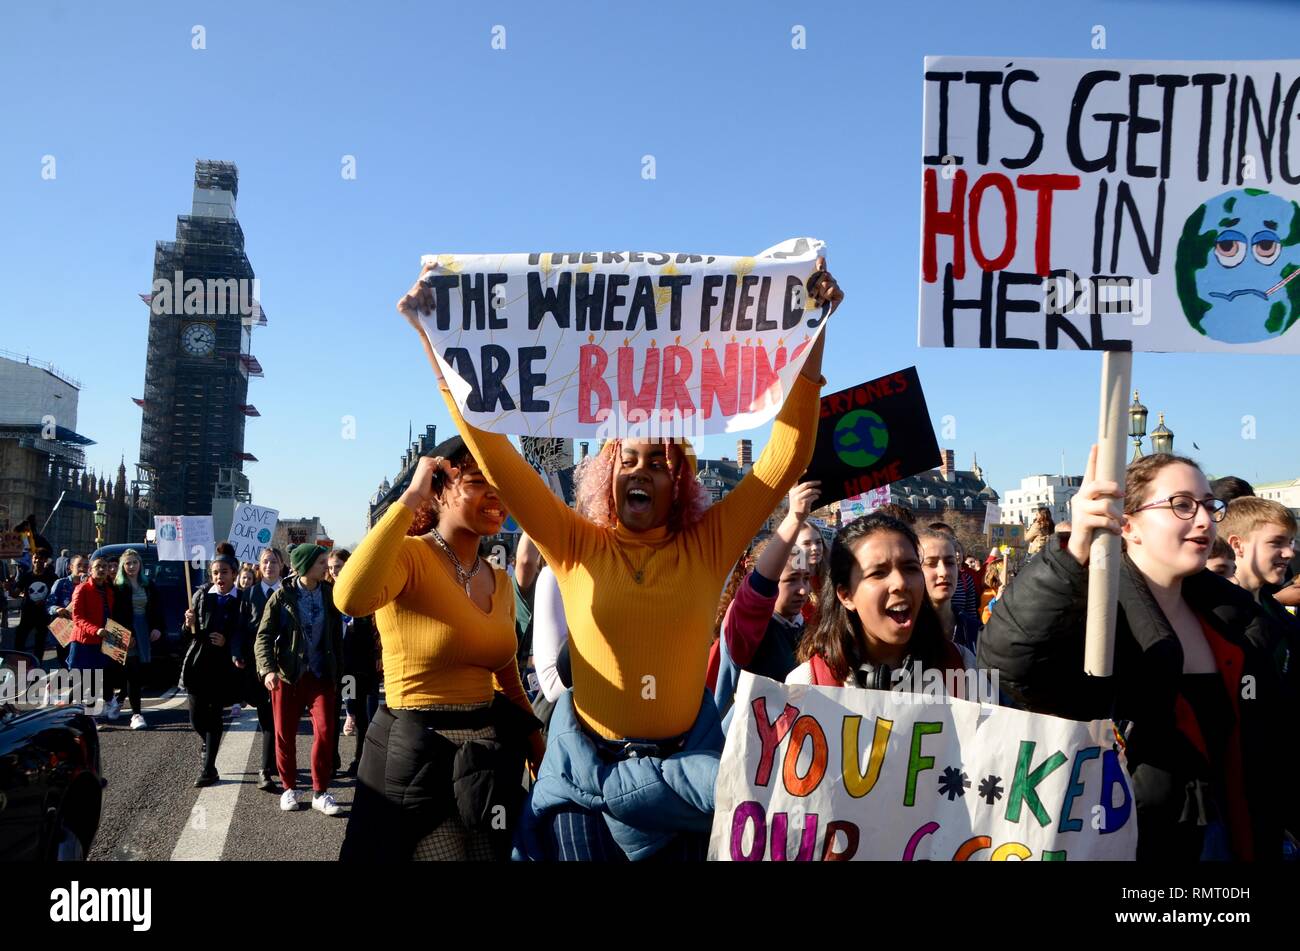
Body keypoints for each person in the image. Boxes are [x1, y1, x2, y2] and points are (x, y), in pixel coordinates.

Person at [399, 257, 842, 861]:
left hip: (685, 785)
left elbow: (787, 455)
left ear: (680, 481)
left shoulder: (708, 544)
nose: (642, 471)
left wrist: (812, 332)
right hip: (587, 785)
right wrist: (434, 340)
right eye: (628, 459)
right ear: (608, 474)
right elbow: (493, 451)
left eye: (660, 462)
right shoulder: (573, 542)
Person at [979, 449, 1289, 860]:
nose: (1202, 520)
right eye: (1180, 505)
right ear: (1128, 524)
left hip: (1236, 835)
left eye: (1208, 506)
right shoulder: (1090, 612)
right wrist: (1072, 555)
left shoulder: (1236, 618)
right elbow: (1008, 661)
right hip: (1133, 839)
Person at [334, 440, 544, 860]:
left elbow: (508, 678)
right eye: (479, 481)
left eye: (501, 484)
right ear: (440, 487)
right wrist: (410, 498)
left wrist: (540, 755)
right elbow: (351, 597)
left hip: (486, 764)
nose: (495, 495)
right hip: (419, 756)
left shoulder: (499, 581)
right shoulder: (408, 557)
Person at [787, 514, 968, 695]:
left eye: (910, 568)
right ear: (846, 596)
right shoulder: (807, 685)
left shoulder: (964, 668)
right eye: (878, 573)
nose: (900, 583)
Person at [712, 481, 821, 721]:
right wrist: (794, 518)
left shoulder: (811, 629)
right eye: (791, 580)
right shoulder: (746, 631)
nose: (803, 590)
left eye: (806, 579)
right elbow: (759, 591)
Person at [256, 544, 345, 816]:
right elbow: (264, 636)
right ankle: (289, 788)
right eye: (321, 563)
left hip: (320, 676)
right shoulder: (282, 596)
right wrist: (268, 670)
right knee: (284, 734)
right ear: (305, 566)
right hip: (288, 676)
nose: (326, 567)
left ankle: (320, 792)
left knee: (327, 731)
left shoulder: (331, 593)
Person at [182, 554, 253, 788]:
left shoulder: (243, 600)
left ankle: (209, 768)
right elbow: (188, 634)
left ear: (234, 574)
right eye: (215, 573)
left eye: (224, 572)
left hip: (223, 668)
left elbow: (246, 632)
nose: (219, 577)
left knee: (213, 717)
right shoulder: (201, 595)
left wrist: (228, 641)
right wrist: (187, 622)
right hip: (198, 664)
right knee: (195, 717)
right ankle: (208, 743)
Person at [326, 547, 380, 777]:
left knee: (363, 712)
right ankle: (332, 757)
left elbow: (378, 623)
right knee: (338, 709)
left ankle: (360, 759)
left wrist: (379, 654)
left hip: (365, 660)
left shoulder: (365, 589)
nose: (334, 571)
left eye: (338, 566)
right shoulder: (327, 592)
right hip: (341, 662)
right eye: (330, 568)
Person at [243, 546, 285, 792]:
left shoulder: (289, 592)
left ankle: (270, 767)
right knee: (266, 717)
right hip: (258, 665)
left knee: (278, 719)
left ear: (281, 566)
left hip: (284, 665)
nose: (269, 566)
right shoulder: (249, 594)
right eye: (265, 562)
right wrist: (237, 651)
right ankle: (268, 766)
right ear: (259, 566)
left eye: (274, 562)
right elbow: (241, 626)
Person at [110, 550, 164, 730]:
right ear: (122, 567)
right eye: (127, 563)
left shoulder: (149, 584)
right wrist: (127, 634)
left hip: (144, 631)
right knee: (131, 672)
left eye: (134, 562)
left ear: (140, 564)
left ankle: (119, 700)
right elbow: (116, 613)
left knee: (139, 672)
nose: (131, 566)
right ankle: (136, 714)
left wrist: (157, 627)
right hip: (125, 631)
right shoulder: (117, 587)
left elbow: (157, 608)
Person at [917, 527, 978, 667]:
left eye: (950, 563)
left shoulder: (978, 633)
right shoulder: (901, 635)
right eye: (931, 563)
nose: (944, 572)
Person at [68, 555, 115, 714]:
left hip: (101, 642)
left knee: (95, 682)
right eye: (97, 567)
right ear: (90, 570)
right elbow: (77, 617)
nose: (101, 570)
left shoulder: (109, 590)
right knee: (80, 683)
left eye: (104, 567)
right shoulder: (81, 588)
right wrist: (96, 630)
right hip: (83, 642)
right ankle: (72, 715)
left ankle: (89, 716)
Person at [12, 547, 57, 662]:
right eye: (35, 558)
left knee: (40, 643)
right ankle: (18, 664)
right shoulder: (26, 576)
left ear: (45, 560)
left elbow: (56, 596)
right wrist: (9, 588)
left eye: (41, 558)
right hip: (27, 614)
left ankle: (37, 666)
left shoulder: (52, 577)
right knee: (19, 640)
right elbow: (15, 594)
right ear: (32, 559)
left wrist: (45, 601)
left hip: (43, 616)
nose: (37, 561)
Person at [48, 554, 87, 668]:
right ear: (70, 567)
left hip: (83, 630)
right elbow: (49, 604)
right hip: (65, 630)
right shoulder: (61, 583)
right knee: (64, 662)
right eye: (79, 565)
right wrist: (57, 609)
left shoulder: (89, 585)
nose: (82, 568)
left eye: (85, 565)